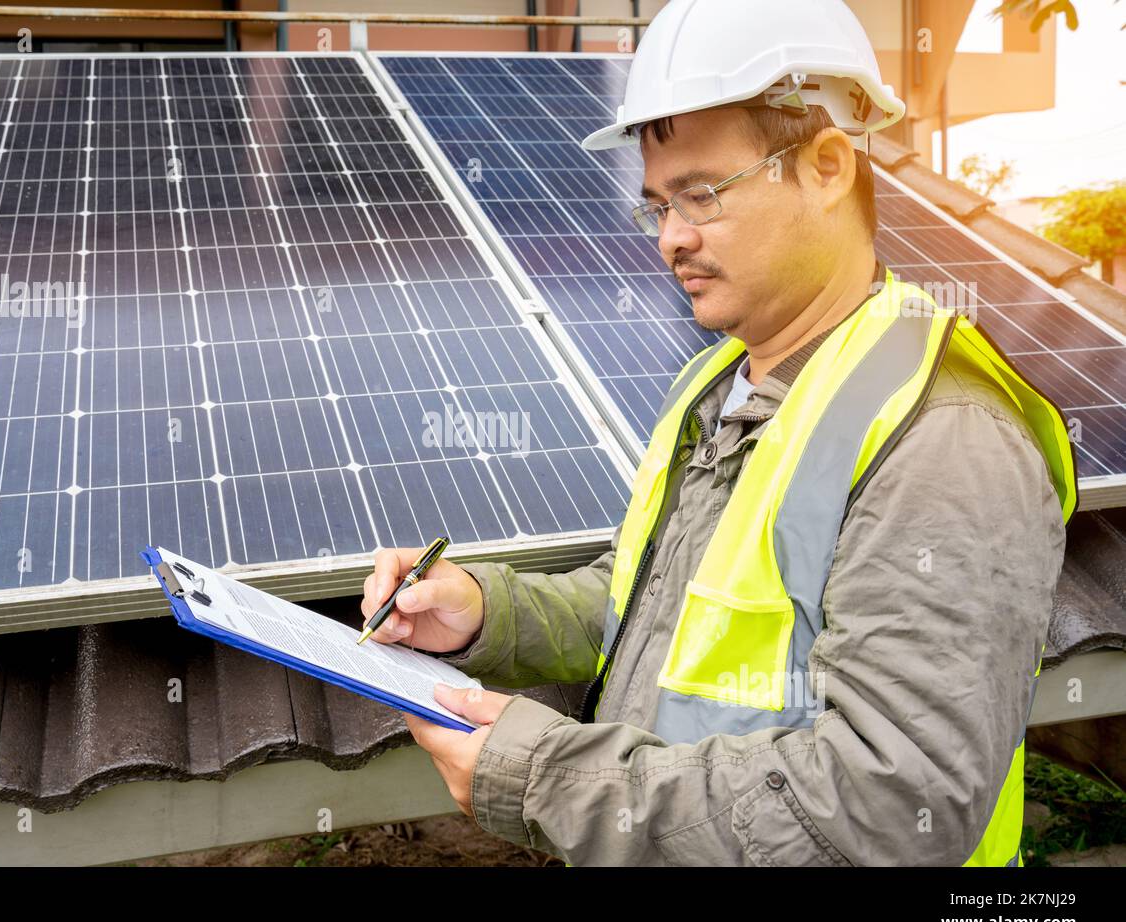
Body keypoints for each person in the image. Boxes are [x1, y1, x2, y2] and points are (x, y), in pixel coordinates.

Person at [360, 0, 1077, 866]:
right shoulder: (717, 382)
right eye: (658, 205)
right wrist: (485, 612)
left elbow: (892, 803)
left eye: (701, 194)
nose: (671, 238)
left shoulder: (946, 438)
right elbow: (646, 613)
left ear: (825, 165)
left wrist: (547, 776)